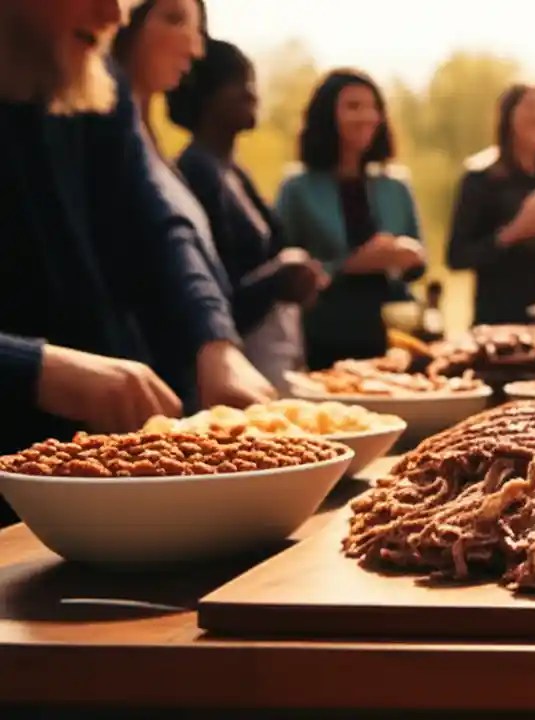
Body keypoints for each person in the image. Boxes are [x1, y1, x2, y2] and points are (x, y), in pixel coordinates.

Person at [0, 0, 271, 453]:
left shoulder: (96, 79)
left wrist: (214, 343)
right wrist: (32, 367)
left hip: (88, 467)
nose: (114, 16)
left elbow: (156, 221)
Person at [168, 39, 329, 391]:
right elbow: (214, 295)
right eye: (239, 82)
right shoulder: (197, 173)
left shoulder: (234, 171)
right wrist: (279, 279)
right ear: (206, 95)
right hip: (238, 366)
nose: (252, 94)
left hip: (272, 353)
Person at [276, 69, 426, 370]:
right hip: (326, 334)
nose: (367, 116)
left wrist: (408, 255)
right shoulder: (297, 188)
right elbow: (282, 269)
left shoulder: (397, 185)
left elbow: (419, 262)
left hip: (391, 330)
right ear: (327, 115)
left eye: (373, 107)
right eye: (353, 107)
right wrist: (350, 264)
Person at [447, 83, 535, 325]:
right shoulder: (480, 178)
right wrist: (515, 232)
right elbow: (457, 257)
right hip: (494, 319)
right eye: (531, 107)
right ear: (508, 117)